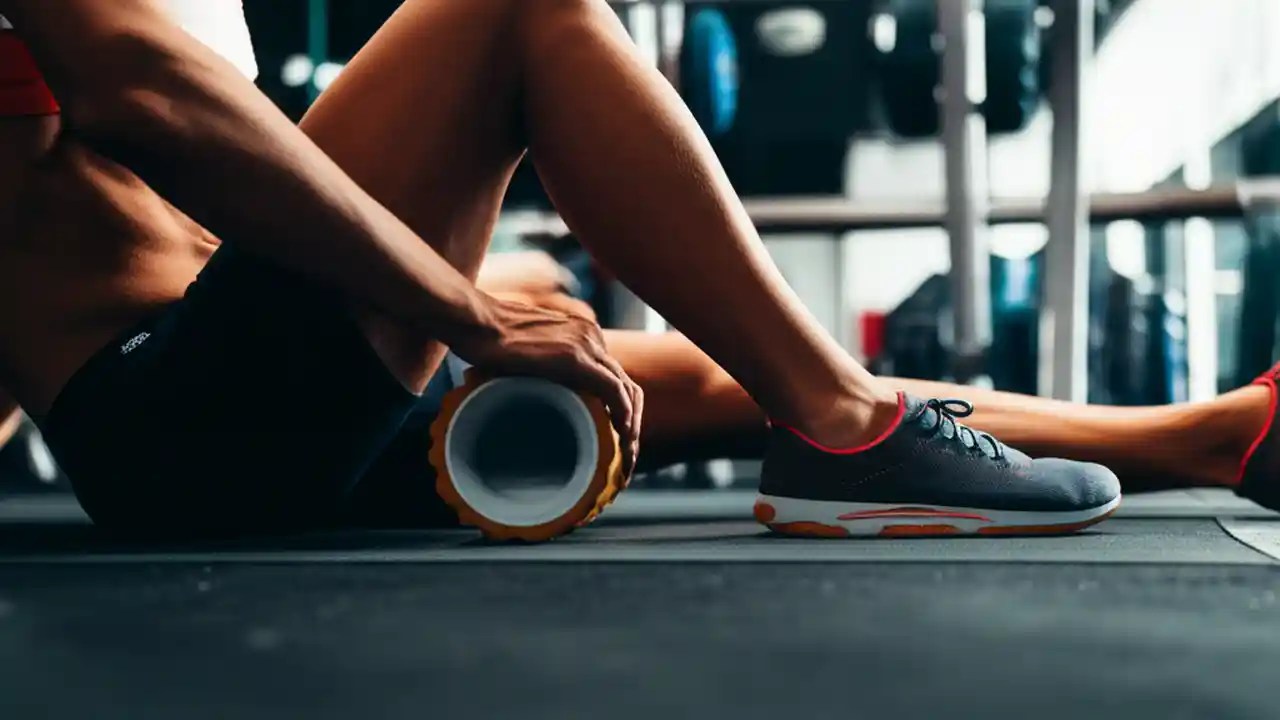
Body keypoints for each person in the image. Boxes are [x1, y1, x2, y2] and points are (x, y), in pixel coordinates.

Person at [0, 0, 1125, 539]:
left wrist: (465, 294)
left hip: (296, 388)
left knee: (710, 374)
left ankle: (1214, 437)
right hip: (178, 427)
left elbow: (238, 201)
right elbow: (136, 101)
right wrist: (465, 311)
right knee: (512, 9)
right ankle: (851, 428)